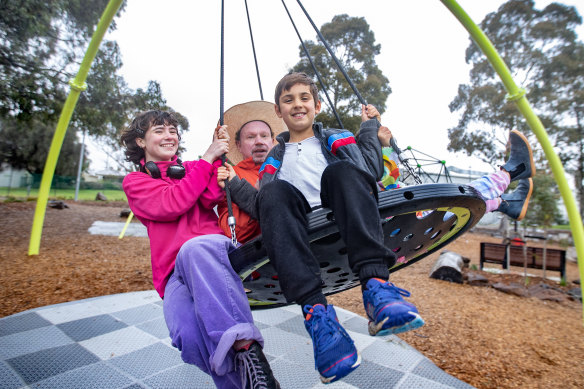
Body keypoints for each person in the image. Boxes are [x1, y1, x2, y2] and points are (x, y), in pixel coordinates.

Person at [221, 72, 422, 384]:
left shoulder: (336, 138)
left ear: (316, 106)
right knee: (271, 193)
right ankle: (318, 318)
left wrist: (369, 126)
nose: (297, 105)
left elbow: (369, 169)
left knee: (343, 171)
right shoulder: (273, 160)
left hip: (343, 218)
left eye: (304, 98)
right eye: (288, 100)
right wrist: (233, 183)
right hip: (302, 235)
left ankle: (377, 289)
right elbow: (265, 208)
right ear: (279, 112)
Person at [120, 110, 279, 389]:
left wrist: (223, 159)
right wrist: (207, 159)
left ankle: (247, 348)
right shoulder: (136, 182)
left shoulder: (196, 169)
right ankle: (250, 383)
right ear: (140, 142)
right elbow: (172, 203)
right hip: (173, 273)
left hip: (210, 254)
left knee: (195, 247)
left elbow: (214, 193)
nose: (169, 136)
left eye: (173, 131)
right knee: (189, 338)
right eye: (159, 131)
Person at [378, 126, 534, 221]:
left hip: (406, 227)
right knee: (460, 198)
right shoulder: (364, 185)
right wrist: (379, 142)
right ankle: (512, 171)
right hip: (404, 224)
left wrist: (373, 126)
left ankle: (507, 204)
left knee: (451, 204)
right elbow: (384, 178)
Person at [217, 101, 287, 244]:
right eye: (250, 137)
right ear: (238, 145)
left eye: (264, 136)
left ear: (273, 142)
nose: (259, 141)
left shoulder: (289, 168)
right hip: (260, 257)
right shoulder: (229, 175)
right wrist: (257, 196)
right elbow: (233, 233)